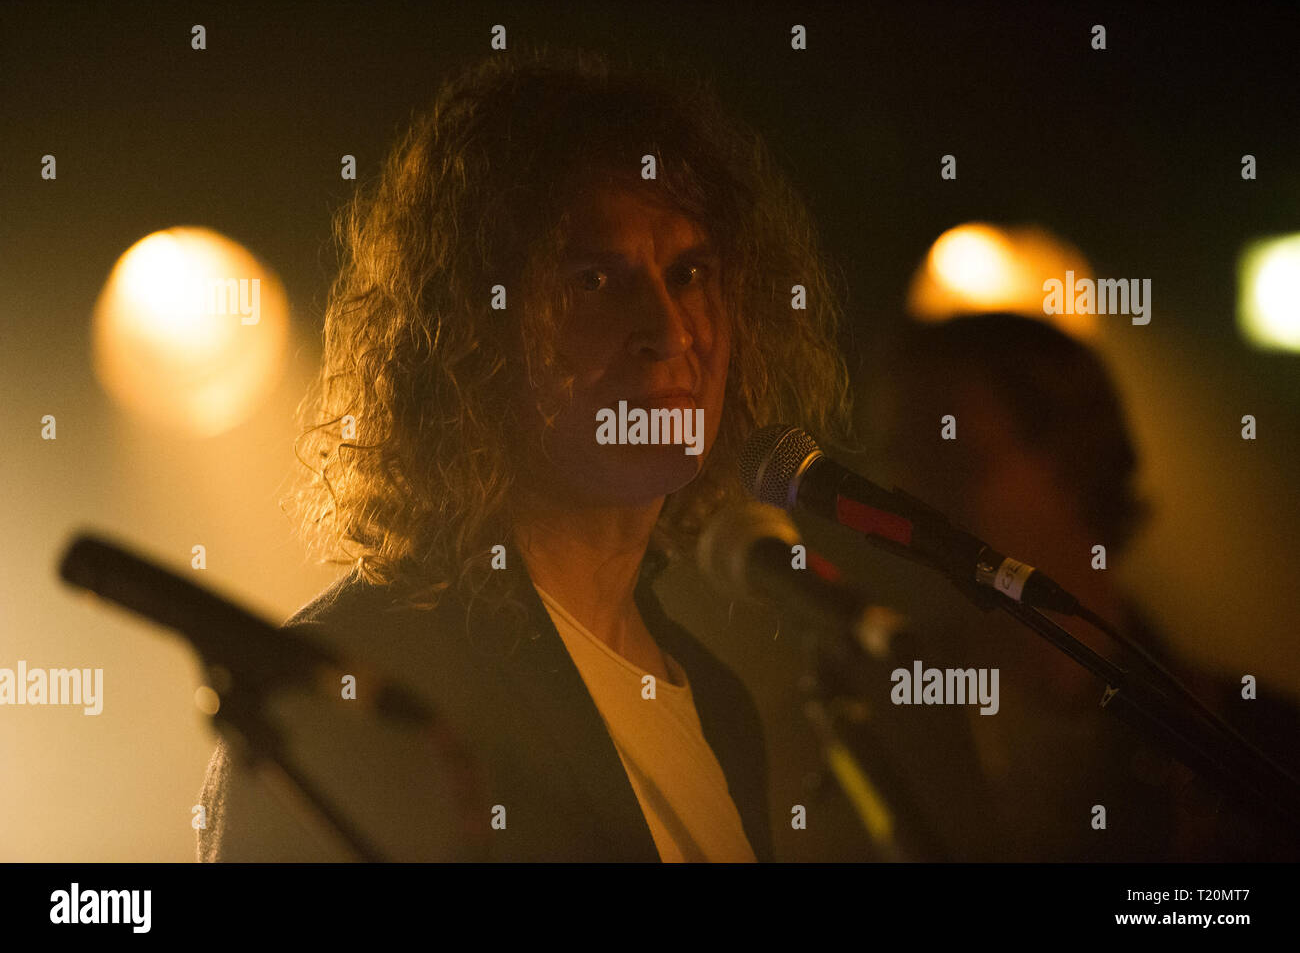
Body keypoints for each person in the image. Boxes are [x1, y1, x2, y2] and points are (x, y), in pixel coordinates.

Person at [196, 46, 852, 862]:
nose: (671, 331)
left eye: (690, 273)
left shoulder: (719, 701)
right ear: (477, 332)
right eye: (594, 281)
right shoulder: (352, 687)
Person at [867, 312, 1300, 860]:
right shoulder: (859, 723)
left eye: (953, 459)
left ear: (1073, 462)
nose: (909, 500)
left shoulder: (1256, 752)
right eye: (900, 466)